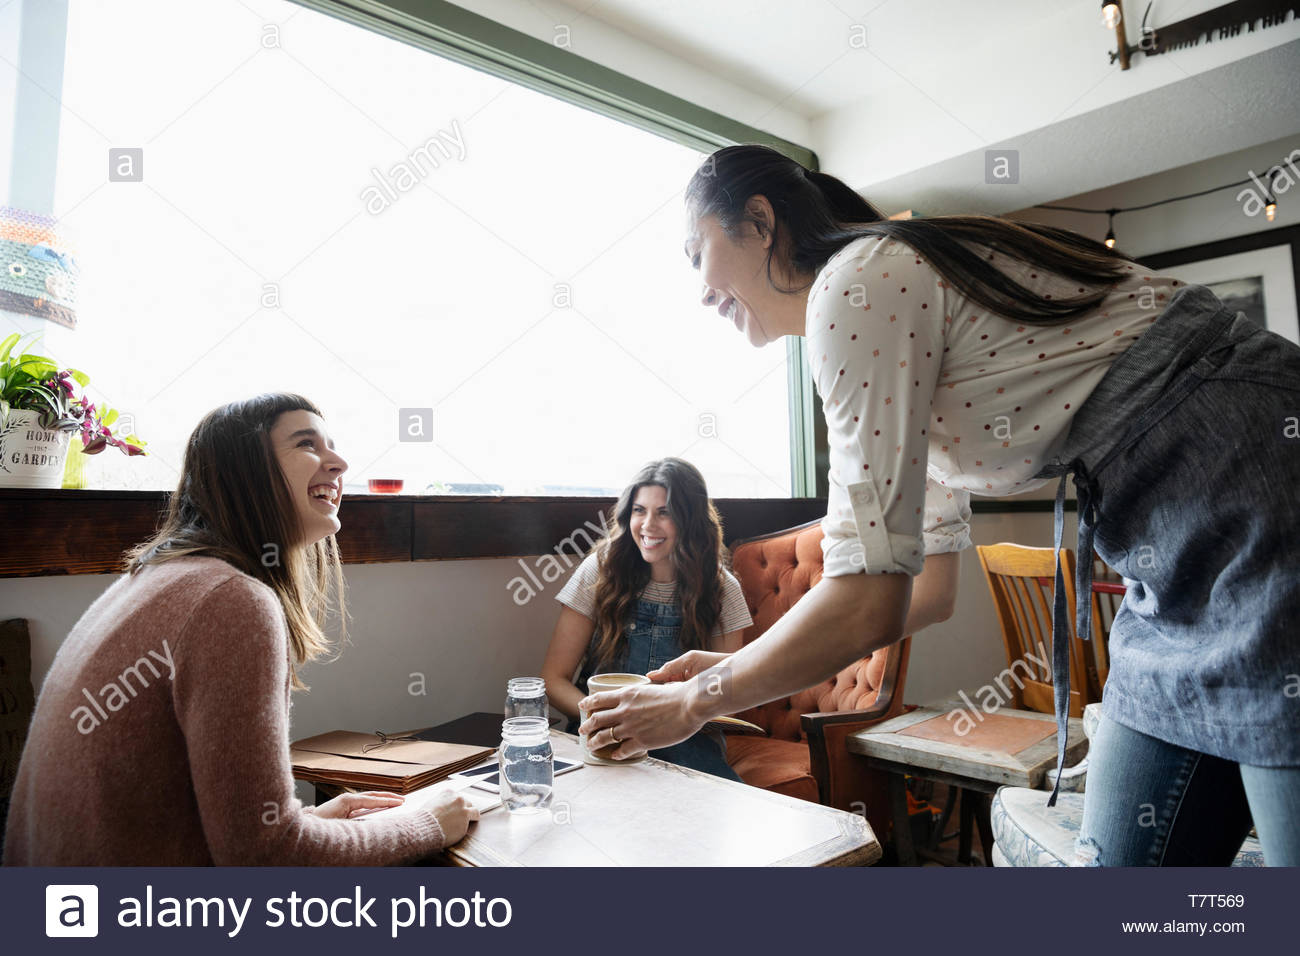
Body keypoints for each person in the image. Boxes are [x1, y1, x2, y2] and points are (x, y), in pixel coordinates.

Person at [581, 144, 1300, 866]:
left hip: (1255, 473)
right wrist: (729, 667)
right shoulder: (881, 308)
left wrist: (695, 700)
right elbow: (922, 594)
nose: (701, 292)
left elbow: (867, 605)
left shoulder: (856, 285)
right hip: (1163, 544)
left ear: (760, 222)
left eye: (694, 253)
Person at [3, 393, 477, 865]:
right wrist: (426, 823)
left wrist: (306, 822)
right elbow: (266, 859)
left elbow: (236, 833)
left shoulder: (164, 576)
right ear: (244, 473)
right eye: (307, 444)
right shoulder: (229, 600)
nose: (339, 463)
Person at [540, 458, 752, 780]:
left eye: (664, 512)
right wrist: (606, 721)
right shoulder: (599, 571)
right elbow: (553, 679)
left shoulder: (723, 589)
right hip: (601, 731)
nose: (648, 525)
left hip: (685, 739)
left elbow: (728, 695)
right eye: (639, 510)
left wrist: (672, 715)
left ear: (690, 521)